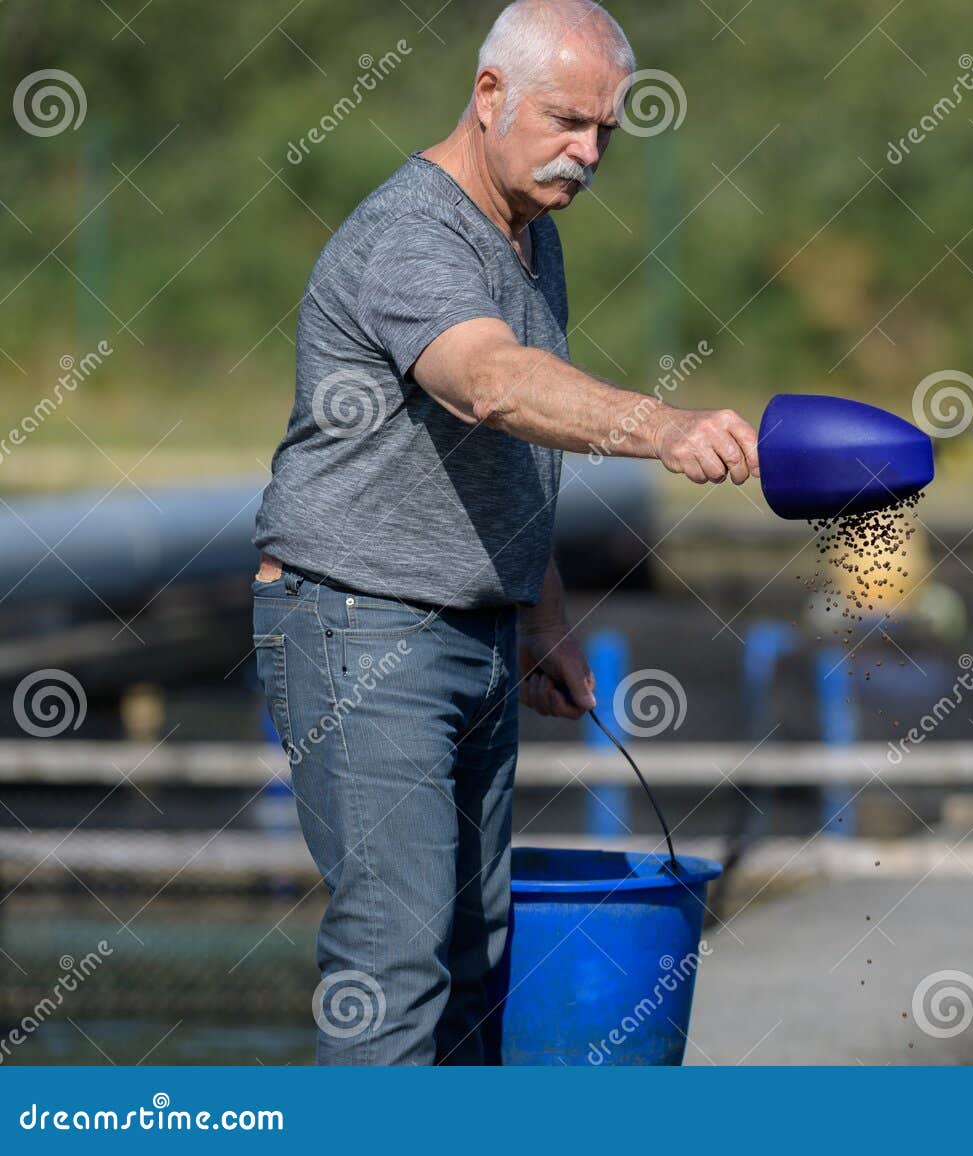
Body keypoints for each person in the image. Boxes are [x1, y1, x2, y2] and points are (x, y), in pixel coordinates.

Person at [249, 0, 758, 1065]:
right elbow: (489, 385)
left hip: (479, 627)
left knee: (479, 949)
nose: (588, 152)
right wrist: (660, 427)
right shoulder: (411, 235)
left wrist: (544, 615)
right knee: (395, 957)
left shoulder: (531, 235)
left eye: (607, 132)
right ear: (488, 97)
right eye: (568, 120)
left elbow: (509, 458)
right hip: (359, 623)